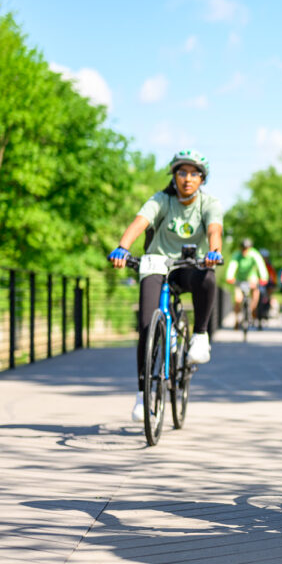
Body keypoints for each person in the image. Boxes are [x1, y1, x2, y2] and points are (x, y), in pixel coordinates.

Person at [108, 149, 223, 422]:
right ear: (174, 176)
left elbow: (214, 231)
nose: (187, 178)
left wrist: (214, 251)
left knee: (208, 276)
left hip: (189, 266)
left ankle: (201, 336)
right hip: (156, 264)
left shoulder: (210, 203)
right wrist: (122, 248)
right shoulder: (161, 200)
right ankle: (141, 394)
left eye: (194, 174)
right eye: (182, 172)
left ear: (202, 179)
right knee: (147, 327)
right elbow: (140, 222)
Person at [224, 238, 269, 329]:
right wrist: (229, 276)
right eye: (243, 248)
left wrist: (263, 277)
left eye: (247, 248)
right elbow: (233, 265)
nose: (245, 250)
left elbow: (260, 265)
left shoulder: (254, 254)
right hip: (240, 279)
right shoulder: (237, 255)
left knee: (255, 293)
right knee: (237, 300)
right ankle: (236, 319)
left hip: (251, 278)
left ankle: (252, 310)